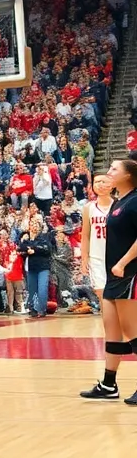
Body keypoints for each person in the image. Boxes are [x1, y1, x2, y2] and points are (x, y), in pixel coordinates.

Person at [81, 160, 137, 401]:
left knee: (131, 331)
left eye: (114, 169)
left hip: (129, 274)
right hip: (112, 276)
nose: (109, 172)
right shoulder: (121, 202)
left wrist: (123, 262)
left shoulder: (135, 201)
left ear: (128, 175)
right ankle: (108, 385)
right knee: (112, 331)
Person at [82, 173, 114, 300]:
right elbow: (85, 235)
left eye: (103, 182)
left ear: (112, 186)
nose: (99, 185)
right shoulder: (88, 207)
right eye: (96, 182)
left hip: (116, 255)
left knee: (116, 296)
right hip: (96, 256)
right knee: (101, 294)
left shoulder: (119, 204)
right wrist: (84, 258)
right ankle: (106, 320)